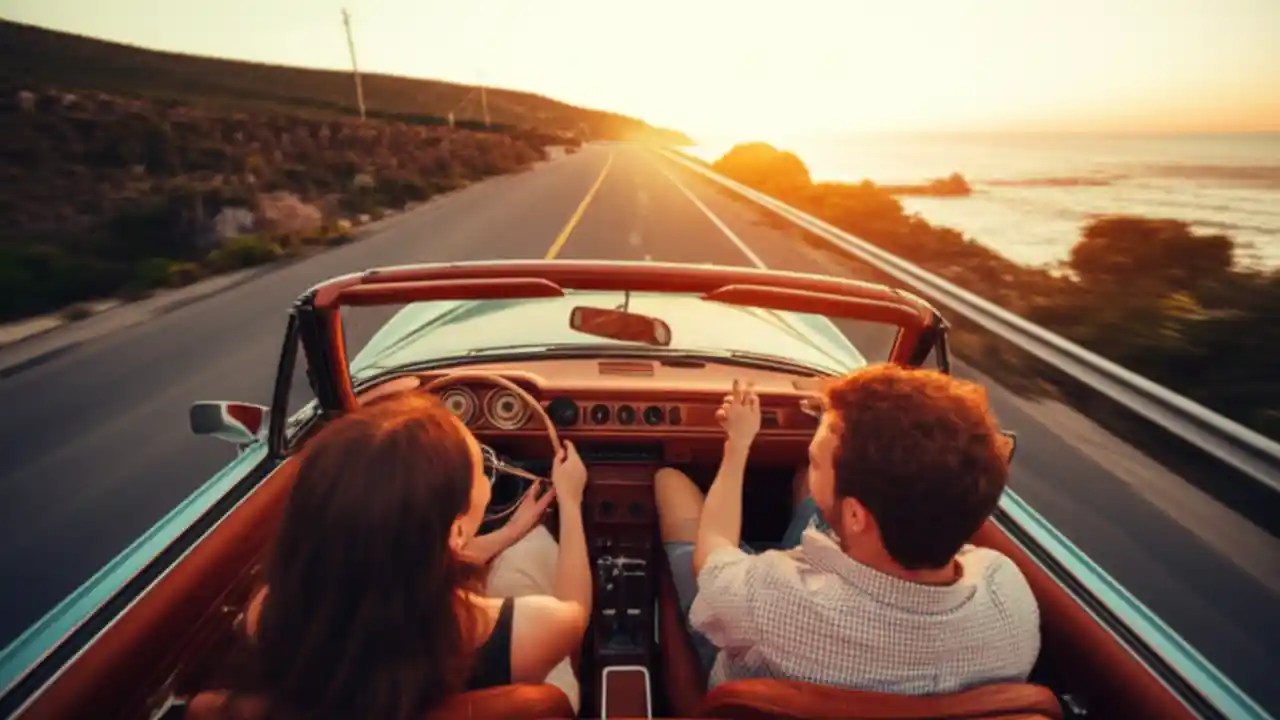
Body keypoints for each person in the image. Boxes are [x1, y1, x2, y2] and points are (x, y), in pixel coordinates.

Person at [199, 391, 591, 720]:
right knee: (534, 548)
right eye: (480, 470)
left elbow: (386, 555)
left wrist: (504, 535)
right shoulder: (531, 630)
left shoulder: (265, 613)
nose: (487, 477)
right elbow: (575, 608)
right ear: (455, 530)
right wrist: (570, 501)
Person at [655, 365, 1040, 695]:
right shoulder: (1009, 596)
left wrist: (737, 446)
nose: (810, 457)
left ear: (856, 516)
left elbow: (713, 553)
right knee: (809, 492)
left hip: (750, 666)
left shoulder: (772, 600)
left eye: (816, 459)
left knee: (671, 483)